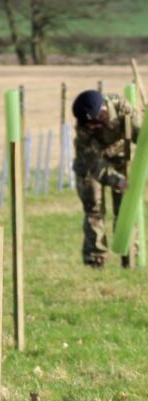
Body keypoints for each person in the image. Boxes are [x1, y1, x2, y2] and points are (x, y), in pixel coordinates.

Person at [72, 88, 142, 268]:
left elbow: (140, 136)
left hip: (121, 158)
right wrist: (117, 180)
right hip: (91, 167)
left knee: (125, 209)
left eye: (95, 123)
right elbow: (93, 164)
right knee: (94, 212)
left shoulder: (121, 108)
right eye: (89, 125)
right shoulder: (83, 128)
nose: (92, 128)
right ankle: (96, 260)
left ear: (103, 111)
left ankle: (130, 257)